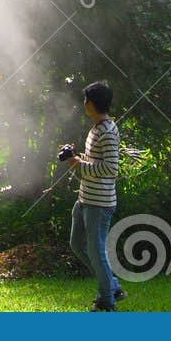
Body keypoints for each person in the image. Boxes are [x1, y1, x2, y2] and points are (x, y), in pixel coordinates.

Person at [66, 80, 123, 311]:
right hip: (85, 198)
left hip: (99, 203)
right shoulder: (97, 129)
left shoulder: (107, 132)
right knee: (77, 244)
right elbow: (97, 161)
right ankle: (113, 286)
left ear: (92, 103)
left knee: (96, 250)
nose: (84, 103)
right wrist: (77, 156)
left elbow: (111, 169)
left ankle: (107, 301)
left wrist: (78, 165)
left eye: (86, 99)